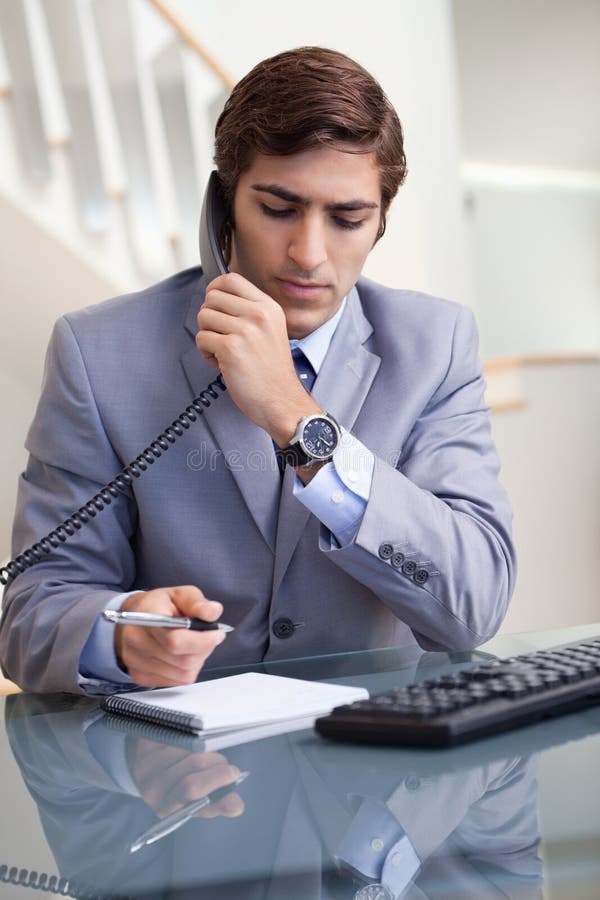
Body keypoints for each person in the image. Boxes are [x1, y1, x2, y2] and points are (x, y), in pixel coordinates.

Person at [0, 47, 516, 694]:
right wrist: (119, 637)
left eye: (347, 219)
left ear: (381, 222)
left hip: (379, 774)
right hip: (185, 779)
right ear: (224, 207)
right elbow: (30, 611)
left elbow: (476, 603)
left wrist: (296, 417)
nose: (308, 254)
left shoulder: (437, 346)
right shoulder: (97, 352)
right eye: (277, 209)